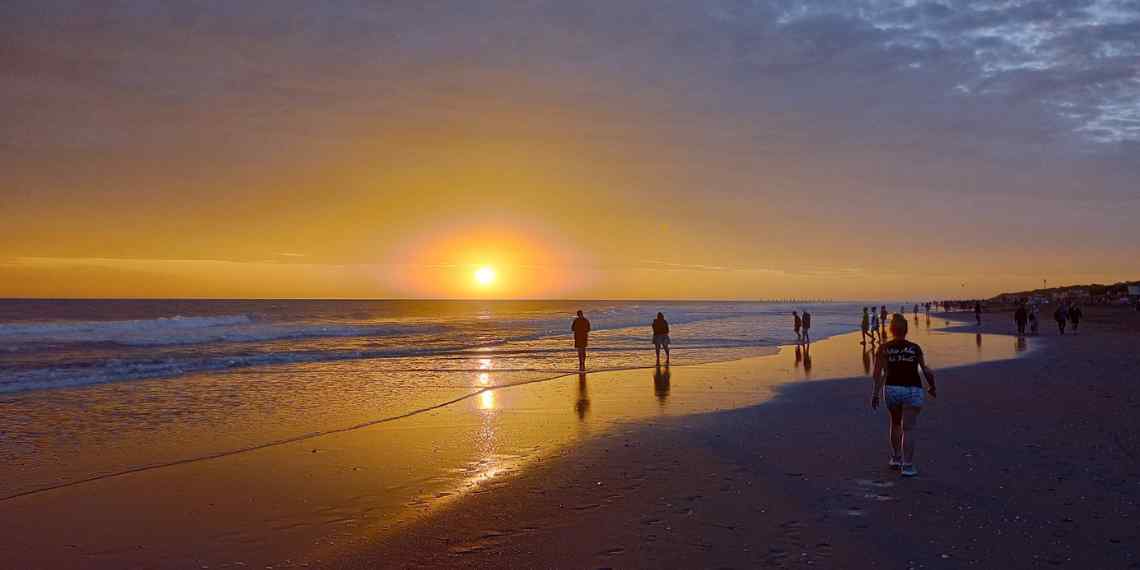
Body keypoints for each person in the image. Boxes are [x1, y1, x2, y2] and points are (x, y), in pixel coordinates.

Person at [871, 314, 938, 477]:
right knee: (908, 428)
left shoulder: (883, 348)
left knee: (895, 423)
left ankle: (896, 458)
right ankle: (907, 466)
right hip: (912, 389)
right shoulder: (915, 348)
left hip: (892, 389)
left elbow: (877, 374)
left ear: (891, 330)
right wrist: (932, 386)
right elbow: (926, 370)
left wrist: (875, 393)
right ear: (906, 330)